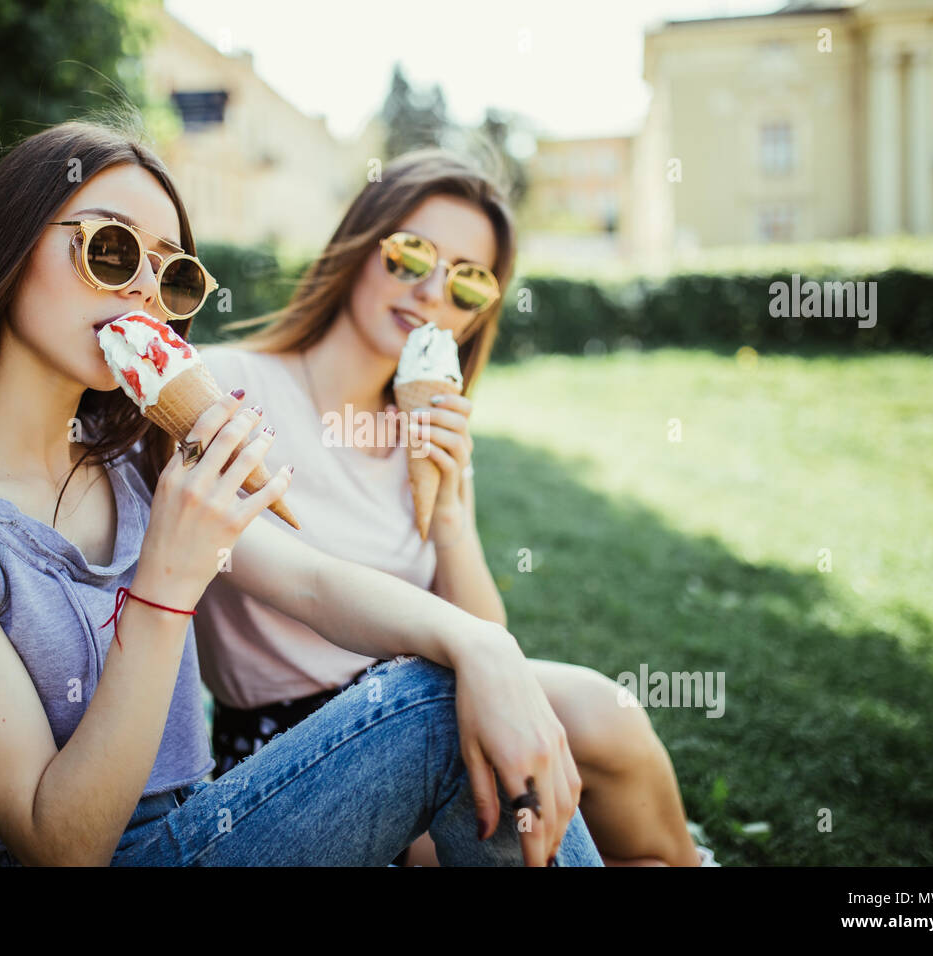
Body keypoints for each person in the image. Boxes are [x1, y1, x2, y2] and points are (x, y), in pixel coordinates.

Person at [0, 118, 601, 867]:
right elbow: (62, 844)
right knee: (431, 709)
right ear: (10, 250)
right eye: (113, 250)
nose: (141, 295)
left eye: (171, 280)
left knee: (450, 678)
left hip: (200, 825)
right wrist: (164, 587)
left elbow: (311, 582)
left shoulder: (128, 464)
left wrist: (484, 646)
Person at [195, 149, 708, 867]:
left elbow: (490, 640)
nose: (433, 290)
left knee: (607, 714)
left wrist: (450, 513)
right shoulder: (226, 387)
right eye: (412, 254)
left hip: (430, 688)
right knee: (500, 812)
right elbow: (302, 581)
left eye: (470, 280)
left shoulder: (425, 428)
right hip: (297, 738)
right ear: (360, 245)